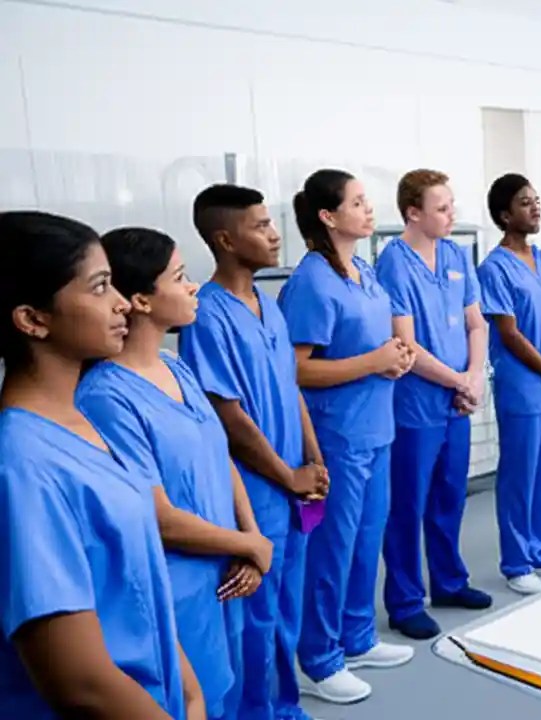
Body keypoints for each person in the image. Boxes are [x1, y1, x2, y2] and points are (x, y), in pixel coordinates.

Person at [0, 211, 203, 719]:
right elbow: (82, 684)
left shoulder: (82, 426)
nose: (120, 304)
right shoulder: (24, 467)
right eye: (99, 287)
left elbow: (134, 591)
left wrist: (190, 695)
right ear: (32, 319)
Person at [78, 227, 274, 720]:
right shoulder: (107, 398)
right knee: (190, 700)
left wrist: (249, 537)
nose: (193, 288)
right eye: (181, 278)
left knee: (226, 693)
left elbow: (219, 454)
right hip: (175, 592)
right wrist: (245, 546)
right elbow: (157, 515)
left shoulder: (176, 367)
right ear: (140, 300)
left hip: (225, 577)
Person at [179, 183, 328, 720]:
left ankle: (285, 706)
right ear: (225, 238)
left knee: (288, 607)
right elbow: (229, 415)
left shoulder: (268, 302)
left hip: (292, 479)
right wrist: (286, 474)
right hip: (259, 489)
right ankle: (256, 712)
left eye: (271, 222)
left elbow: (290, 387)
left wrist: (313, 457)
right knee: (256, 618)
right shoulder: (209, 315)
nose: (273, 234)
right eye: (260, 225)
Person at [280, 168, 416, 705]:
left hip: (375, 427)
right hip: (337, 434)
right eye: (357, 202)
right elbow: (295, 370)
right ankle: (318, 658)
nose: (369, 209)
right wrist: (373, 361)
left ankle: (357, 636)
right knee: (332, 548)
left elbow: (375, 341)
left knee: (366, 538)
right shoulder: (312, 280)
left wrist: (395, 358)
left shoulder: (361, 269)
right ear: (327, 216)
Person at [376, 169, 493, 640]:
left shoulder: (454, 254)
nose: (452, 215)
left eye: (451, 205)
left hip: (456, 403)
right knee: (407, 503)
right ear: (413, 213)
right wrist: (457, 381)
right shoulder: (394, 264)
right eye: (441, 208)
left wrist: (474, 379)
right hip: (417, 405)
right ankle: (405, 600)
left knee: (449, 495)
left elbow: (476, 324)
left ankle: (448, 581)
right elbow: (406, 345)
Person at [477, 173, 541, 595]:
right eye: (525, 202)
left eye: (537, 200)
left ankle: (540, 551)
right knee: (519, 475)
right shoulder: (495, 267)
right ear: (505, 215)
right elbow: (509, 333)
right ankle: (516, 561)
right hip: (524, 386)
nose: (535, 207)